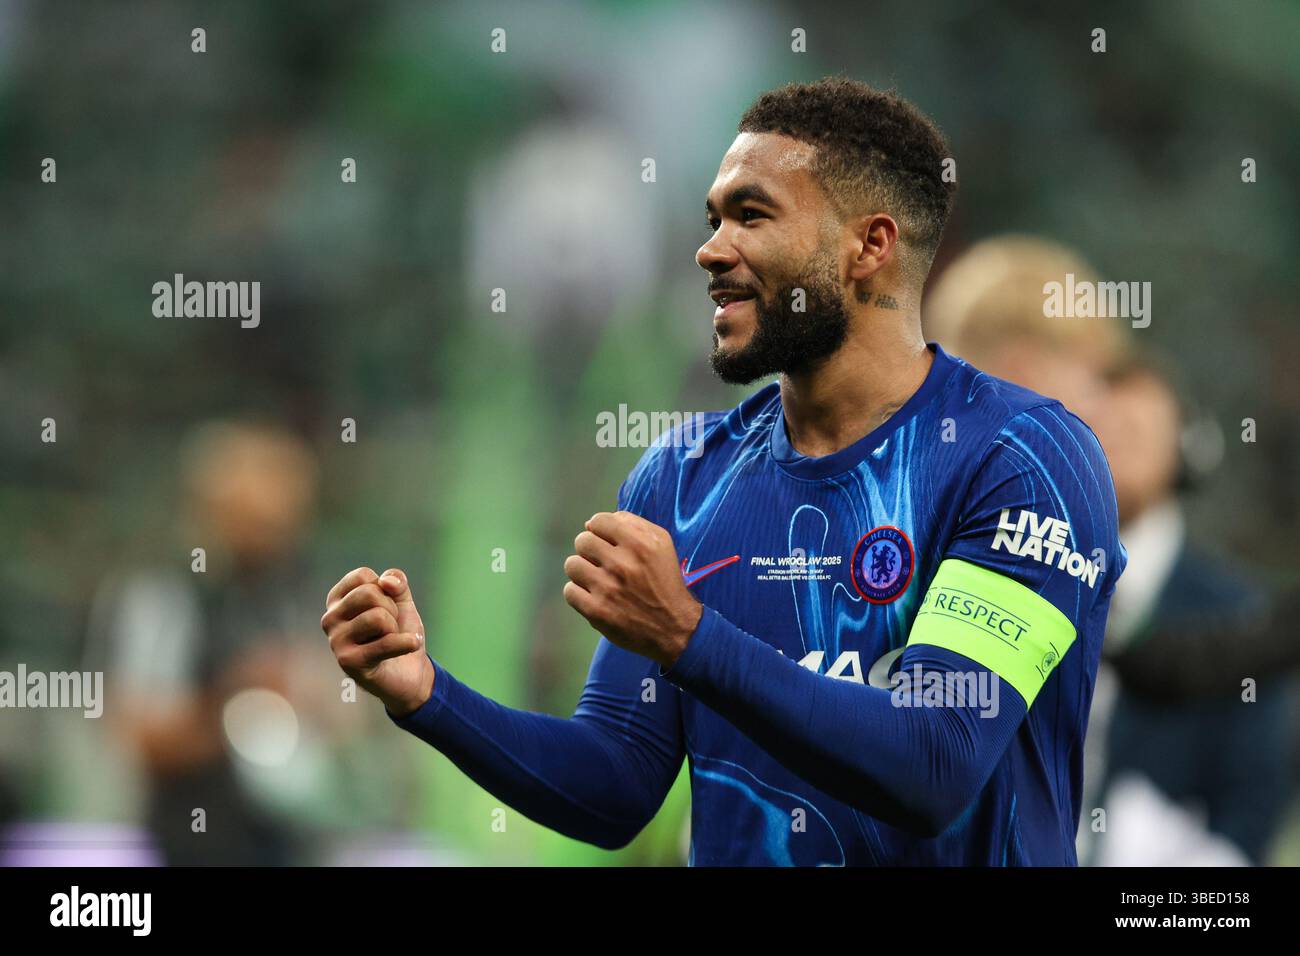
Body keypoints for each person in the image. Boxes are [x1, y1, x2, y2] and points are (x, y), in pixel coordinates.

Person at [322, 77, 1127, 865]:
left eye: (752, 215)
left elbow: (934, 764)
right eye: (712, 219)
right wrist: (429, 696)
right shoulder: (683, 477)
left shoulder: (1023, 460)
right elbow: (616, 786)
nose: (710, 250)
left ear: (869, 246)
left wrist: (690, 635)